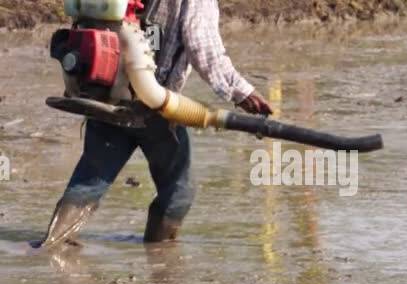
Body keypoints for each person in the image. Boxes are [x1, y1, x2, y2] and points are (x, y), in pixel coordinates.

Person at [34, 0, 273, 249]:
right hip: (158, 108)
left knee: (89, 182)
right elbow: (204, 50)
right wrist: (242, 92)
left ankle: (51, 245)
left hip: (106, 101)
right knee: (178, 191)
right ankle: (160, 257)